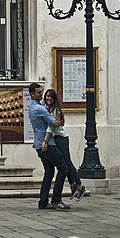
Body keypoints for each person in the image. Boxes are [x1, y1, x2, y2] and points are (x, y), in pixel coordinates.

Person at [28, 82, 71, 211]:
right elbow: (54, 123)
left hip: (38, 144)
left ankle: (43, 201)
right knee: (63, 168)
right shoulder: (40, 109)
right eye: (38, 92)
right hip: (47, 144)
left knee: (49, 171)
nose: (41, 94)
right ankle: (56, 199)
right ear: (32, 94)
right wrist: (62, 120)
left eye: (41, 91)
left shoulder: (32, 107)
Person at [43, 88, 86, 201]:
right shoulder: (46, 108)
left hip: (61, 138)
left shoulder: (55, 110)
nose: (49, 98)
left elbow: (52, 125)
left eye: (51, 97)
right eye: (47, 96)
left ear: (54, 99)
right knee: (64, 163)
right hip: (55, 139)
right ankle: (73, 185)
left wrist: (46, 140)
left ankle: (79, 185)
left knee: (67, 162)